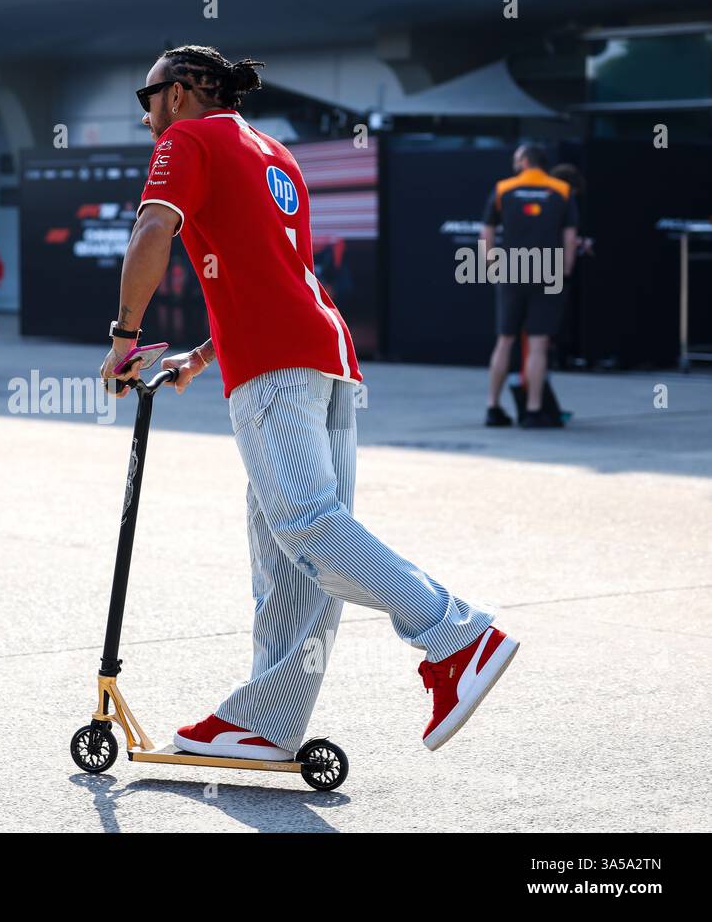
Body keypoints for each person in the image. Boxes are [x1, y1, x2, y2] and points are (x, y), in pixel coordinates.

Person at [99, 44, 518, 760]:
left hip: (277, 364)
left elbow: (151, 232)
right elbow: (273, 271)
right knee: (290, 548)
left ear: (181, 93)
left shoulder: (186, 138)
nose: (146, 116)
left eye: (149, 98)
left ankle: (457, 635)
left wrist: (124, 337)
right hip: (321, 355)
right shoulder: (273, 152)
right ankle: (269, 717)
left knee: (306, 525)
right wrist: (201, 356)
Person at [481, 143, 578, 428]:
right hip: (548, 273)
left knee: (505, 340)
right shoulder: (562, 190)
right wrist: (566, 271)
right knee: (538, 344)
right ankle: (534, 410)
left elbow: (486, 232)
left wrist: (490, 265)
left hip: (510, 272)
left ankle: (492, 407)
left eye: (515, 159)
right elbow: (570, 238)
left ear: (524, 161)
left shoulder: (503, 189)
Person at [549, 162, 593, 368]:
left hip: (536, 263)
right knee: (551, 316)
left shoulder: (548, 199)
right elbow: (563, 234)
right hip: (553, 265)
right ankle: (553, 355)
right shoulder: (562, 201)